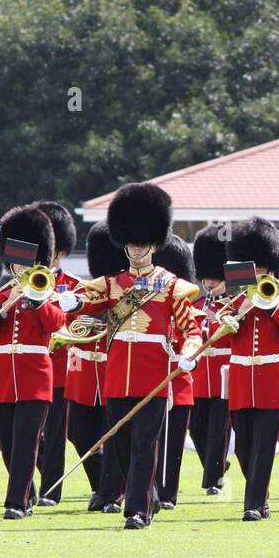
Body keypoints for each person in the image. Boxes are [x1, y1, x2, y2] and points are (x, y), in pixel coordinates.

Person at [78, 182, 201, 530]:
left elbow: (192, 330)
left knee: (145, 446)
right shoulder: (112, 284)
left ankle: (138, 510)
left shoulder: (172, 285)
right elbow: (84, 301)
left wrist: (189, 353)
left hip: (154, 377)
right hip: (117, 376)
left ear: (154, 243)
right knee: (121, 446)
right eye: (130, 242)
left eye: (141, 241)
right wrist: (71, 303)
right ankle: (143, 497)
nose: (135, 247)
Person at [0, 206, 70, 519]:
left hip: (34, 377)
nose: (18, 266)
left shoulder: (45, 290)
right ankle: (27, 495)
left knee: (27, 442)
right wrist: (8, 302)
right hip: (2, 377)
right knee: (7, 441)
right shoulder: (0, 294)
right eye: (14, 260)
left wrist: (36, 299)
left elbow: (56, 321)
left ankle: (15, 503)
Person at [215, 219, 279, 521]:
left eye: (265, 269)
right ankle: (261, 496)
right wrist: (232, 317)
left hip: (270, 379)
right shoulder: (236, 301)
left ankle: (252, 505)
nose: (261, 274)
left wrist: (273, 306)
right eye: (257, 269)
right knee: (243, 449)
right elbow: (221, 332)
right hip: (241, 379)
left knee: (264, 447)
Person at [65, 221, 127, 511]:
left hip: (114, 372)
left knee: (113, 435)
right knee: (78, 434)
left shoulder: (128, 291)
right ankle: (100, 486)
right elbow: (70, 322)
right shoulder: (87, 289)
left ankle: (113, 494)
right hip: (85, 376)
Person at [32, 200, 79, 508]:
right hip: (29, 369)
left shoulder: (73, 286)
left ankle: (51, 491)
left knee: (55, 436)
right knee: (32, 436)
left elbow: (79, 326)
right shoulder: (26, 284)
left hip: (61, 370)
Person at [152, 233, 199, 512]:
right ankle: (153, 490)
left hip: (178, 384)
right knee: (151, 442)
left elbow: (192, 336)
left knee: (174, 446)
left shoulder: (184, 307)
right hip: (152, 380)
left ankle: (169, 493)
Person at [188, 225, 232, 497]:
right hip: (201, 375)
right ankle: (217, 467)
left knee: (218, 430)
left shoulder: (234, 305)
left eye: (216, 278)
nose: (211, 282)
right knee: (197, 429)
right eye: (207, 279)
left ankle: (214, 479)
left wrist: (220, 320)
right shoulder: (198, 303)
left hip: (225, 373)